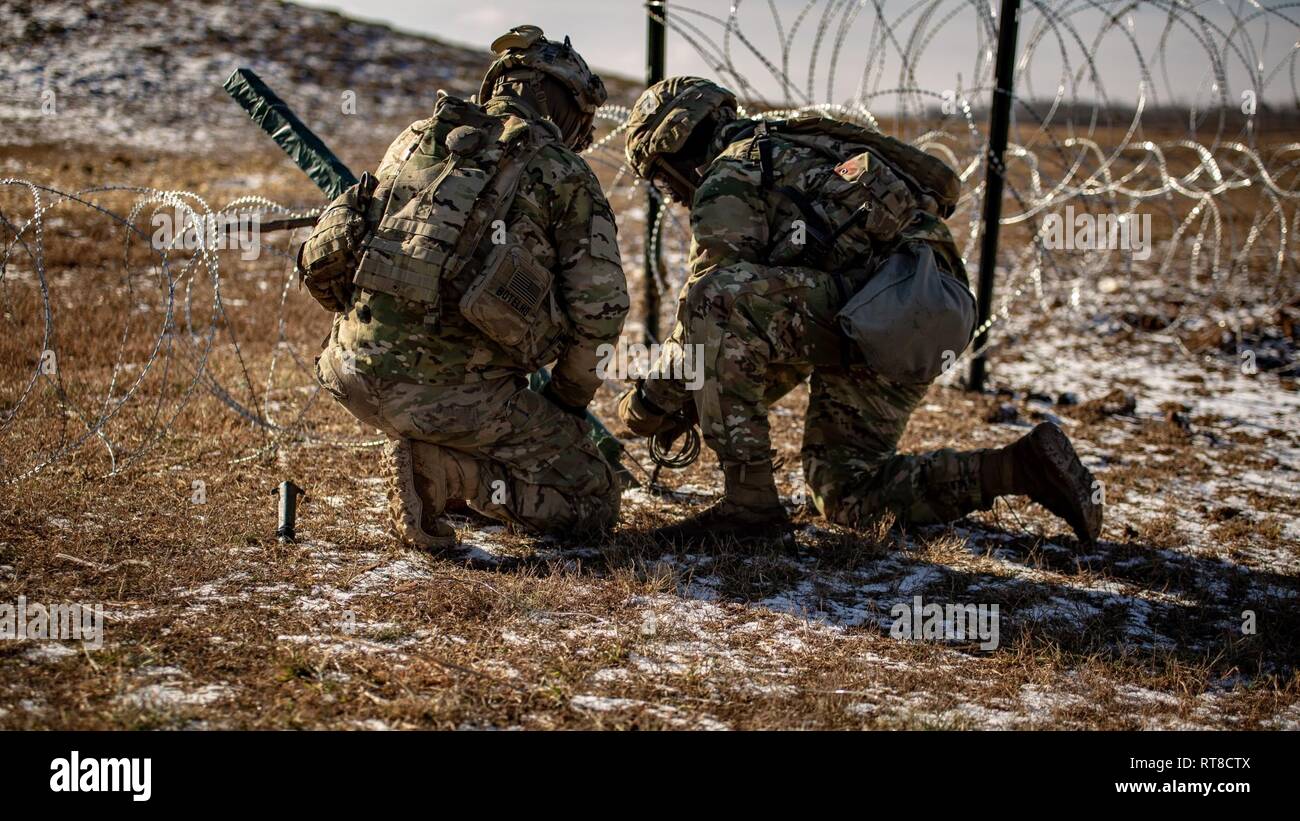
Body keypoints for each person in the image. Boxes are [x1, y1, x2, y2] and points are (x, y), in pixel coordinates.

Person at [618, 76, 1102, 546]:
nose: (671, 194)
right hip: (926, 310)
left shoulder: (730, 174)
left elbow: (710, 315)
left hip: (877, 309)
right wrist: (699, 395)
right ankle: (1019, 466)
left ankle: (749, 508)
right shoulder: (807, 140)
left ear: (678, 143)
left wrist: (648, 404)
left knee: (719, 298)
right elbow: (767, 332)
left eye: (662, 176)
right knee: (846, 493)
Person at [301, 26, 629, 550]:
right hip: (456, 399)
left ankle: (443, 454)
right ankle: (448, 476)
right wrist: (566, 402)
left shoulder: (416, 138)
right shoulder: (560, 169)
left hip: (350, 376)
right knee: (594, 499)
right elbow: (601, 309)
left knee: (478, 397)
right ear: (563, 102)